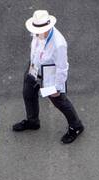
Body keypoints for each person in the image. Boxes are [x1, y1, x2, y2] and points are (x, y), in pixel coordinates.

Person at [12, 10, 85, 144]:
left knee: (60, 101)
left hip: (50, 75)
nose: (36, 33)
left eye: (40, 30)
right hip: (34, 68)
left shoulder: (59, 44)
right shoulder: (37, 33)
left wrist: (57, 87)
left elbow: (62, 68)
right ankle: (33, 121)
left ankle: (76, 126)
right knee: (28, 93)